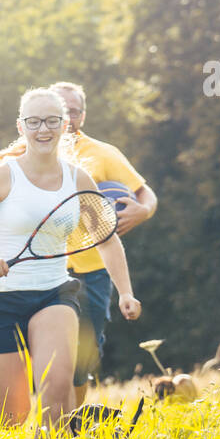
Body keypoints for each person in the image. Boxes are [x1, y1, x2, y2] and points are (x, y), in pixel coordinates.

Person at [0, 87, 141, 433]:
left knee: (57, 387)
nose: (43, 129)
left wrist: (125, 292)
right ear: (21, 127)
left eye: (52, 121)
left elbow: (107, 241)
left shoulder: (78, 179)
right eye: (34, 122)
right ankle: (4, 404)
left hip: (55, 293)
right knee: (10, 416)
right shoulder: (2, 176)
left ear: (65, 125)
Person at [51, 82, 157, 409]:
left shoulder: (102, 153)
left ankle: (73, 423)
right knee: (52, 350)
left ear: (82, 114)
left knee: (86, 353)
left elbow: (144, 194)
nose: (67, 116)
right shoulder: (29, 153)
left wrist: (143, 211)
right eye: (60, 109)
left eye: (73, 110)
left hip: (93, 271)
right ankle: (52, 423)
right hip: (46, 269)